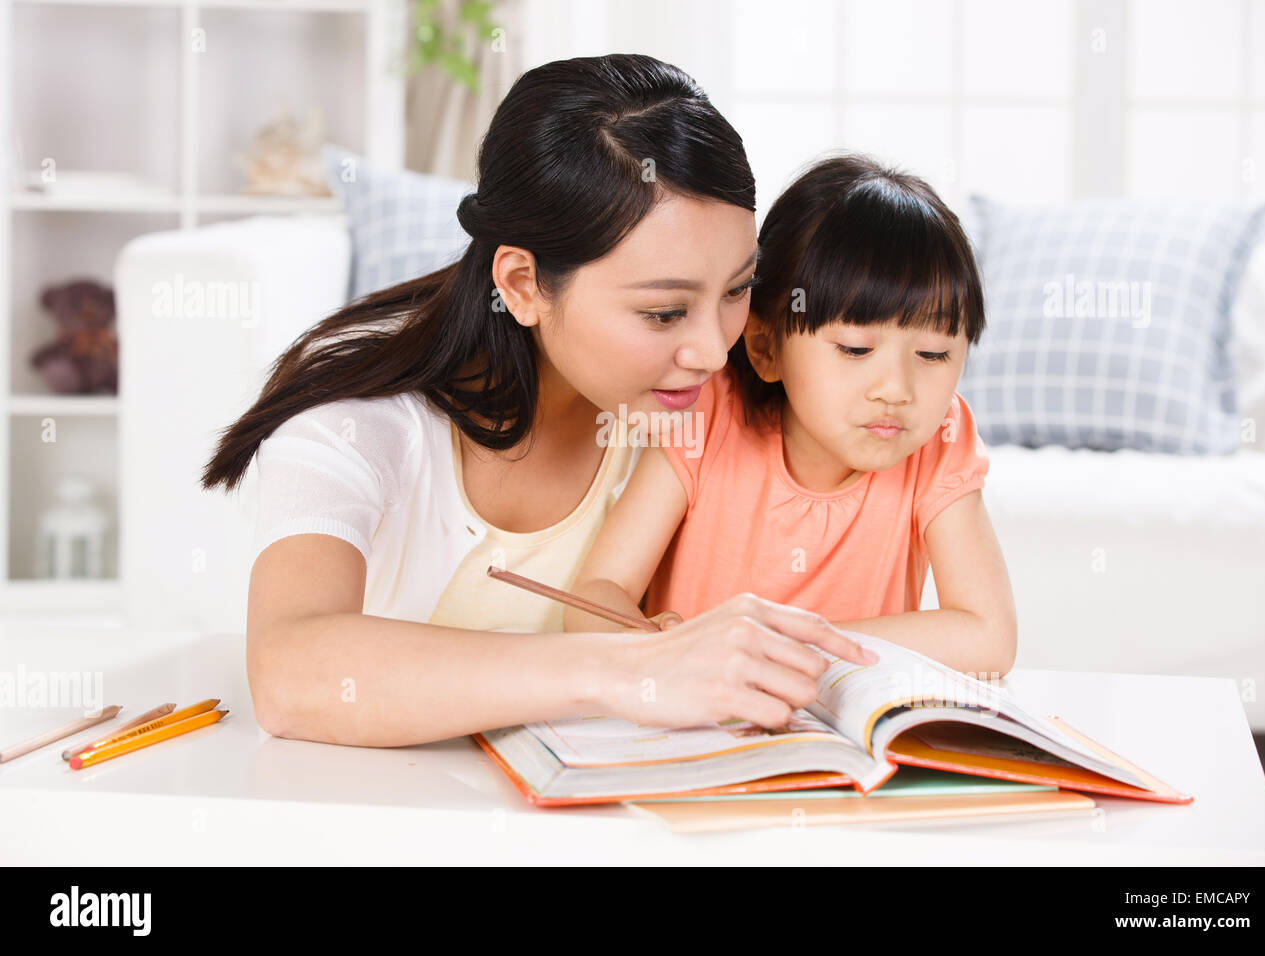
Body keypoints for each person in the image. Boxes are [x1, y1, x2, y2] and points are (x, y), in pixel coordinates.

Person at [200, 55, 877, 747]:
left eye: (737, 289)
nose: (712, 349)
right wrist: (628, 668)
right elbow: (290, 674)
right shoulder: (355, 424)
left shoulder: (703, 403)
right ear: (521, 283)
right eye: (665, 312)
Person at [564, 154, 1017, 677]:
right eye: (853, 348)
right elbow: (596, 595)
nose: (897, 390)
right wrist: (660, 655)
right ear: (766, 347)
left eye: (934, 355)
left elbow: (990, 637)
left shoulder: (939, 438)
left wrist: (786, 645)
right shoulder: (710, 417)